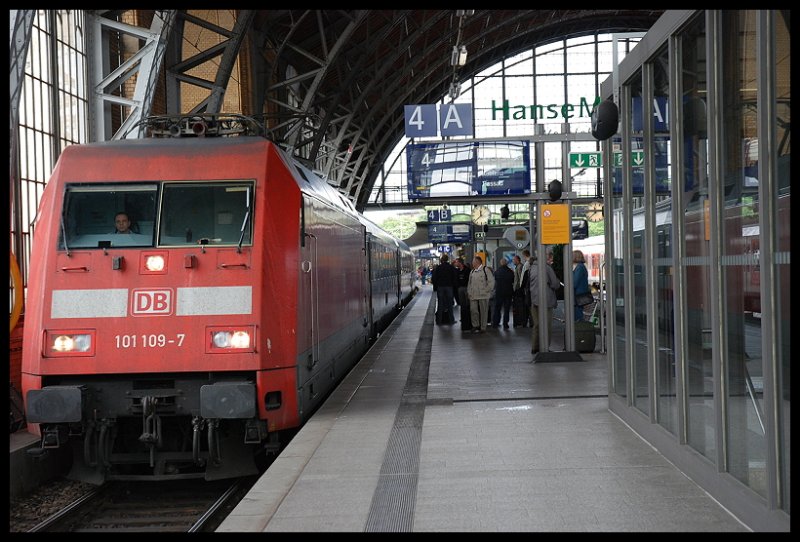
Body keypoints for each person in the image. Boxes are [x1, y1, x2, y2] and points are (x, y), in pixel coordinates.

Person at [529, 249, 559, 355]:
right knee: (546, 325)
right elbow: (555, 284)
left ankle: (535, 347)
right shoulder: (547, 268)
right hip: (546, 301)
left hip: (534, 300)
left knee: (537, 325)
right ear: (548, 257)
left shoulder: (532, 267)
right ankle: (545, 347)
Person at [467, 254, 494, 333]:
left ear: (477, 262)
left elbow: (491, 282)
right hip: (473, 295)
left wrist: (487, 290)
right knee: (473, 310)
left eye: (473, 262)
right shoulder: (472, 271)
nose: (472, 263)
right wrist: (469, 292)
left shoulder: (486, 270)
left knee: (484, 311)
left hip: (483, 295)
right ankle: (475, 325)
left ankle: (483, 327)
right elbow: (469, 283)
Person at [431, 254, 457, 325]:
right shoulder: (451, 267)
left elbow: (434, 278)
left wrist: (436, 286)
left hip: (440, 287)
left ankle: (439, 321)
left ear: (442, 260)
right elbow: (455, 277)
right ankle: (451, 320)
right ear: (447, 259)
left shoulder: (438, 268)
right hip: (449, 287)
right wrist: (453, 286)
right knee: (449, 304)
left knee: (440, 304)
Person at [491, 257, 515, 329]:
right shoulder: (510, 272)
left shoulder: (497, 271)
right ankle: (505, 324)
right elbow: (513, 281)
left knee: (497, 308)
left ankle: (496, 323)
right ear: (506, 263)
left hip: (499, 292)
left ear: (501, 263)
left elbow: (494, 281)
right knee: (507, 309)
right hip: (508, 292)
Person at [453, 257, 472, 332]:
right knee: (462, 304)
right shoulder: (457, 271)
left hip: (466, 288)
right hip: (460, 288)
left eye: (456, 262)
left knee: (467, 304)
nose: (455, 263)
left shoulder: (467, 270)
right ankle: (463, 318)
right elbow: (456, 279)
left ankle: (467, 319)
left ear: (460, 262)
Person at [572, 249, 590, 322]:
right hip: (581, 294)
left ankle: (579, 331)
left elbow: (574, 282)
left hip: (579, 296)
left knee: (578, 316)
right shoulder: (581, 266)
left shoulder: (579, 267)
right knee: (578, 314)